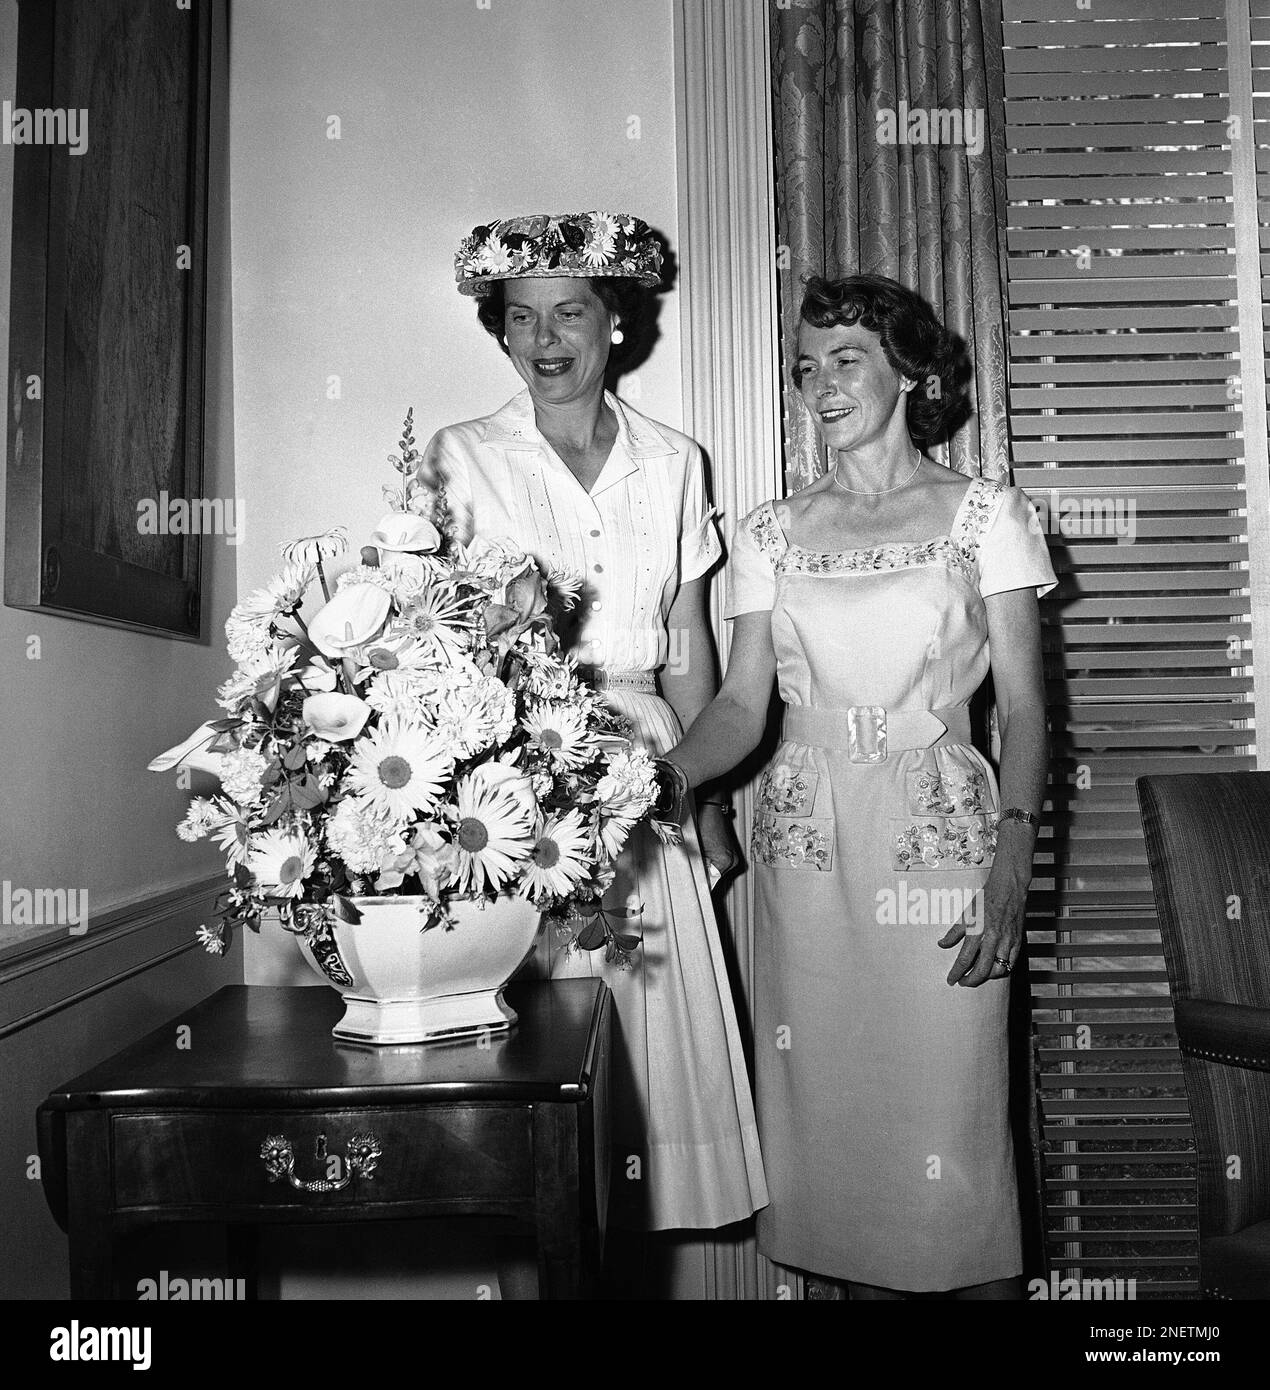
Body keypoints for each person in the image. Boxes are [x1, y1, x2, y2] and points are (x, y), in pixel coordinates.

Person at [659, 273, 1056, 1299]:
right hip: (808, 857)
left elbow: (1023, 708)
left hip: (943, 849)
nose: (819, 383)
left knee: (956, 1149)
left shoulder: (988, 517)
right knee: (831, 1157)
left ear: (911, 373)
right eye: (805, 365)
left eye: (845, 359)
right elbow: (742, 705)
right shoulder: (766, 532)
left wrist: (1013, 855)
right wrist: (666, 776)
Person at [420, 212, 768, 1265]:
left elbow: (689, 660)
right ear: (501, 332)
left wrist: (692, 796)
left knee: (642, 1073)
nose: (546, 336)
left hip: (644, 769)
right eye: (521, 317)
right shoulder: (462, 455)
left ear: (616, 323)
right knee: (536, 1062)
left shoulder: (674, 461)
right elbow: (438, 645)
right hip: (511, 776)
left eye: (571, 309)